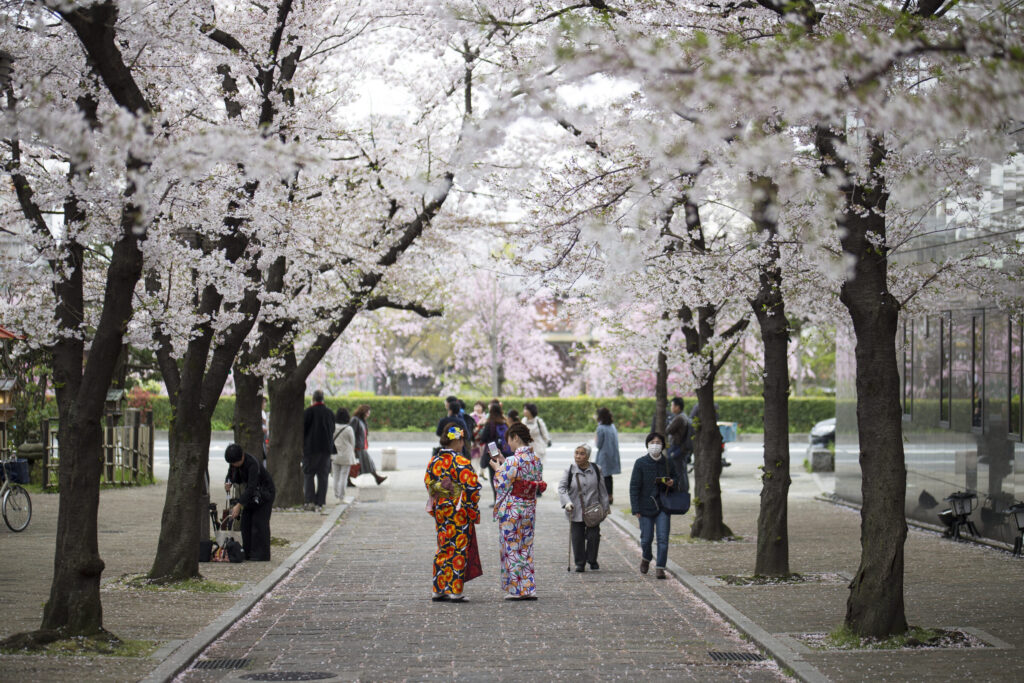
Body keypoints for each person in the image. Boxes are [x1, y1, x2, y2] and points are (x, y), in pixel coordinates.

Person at [425, 425, 482, 601]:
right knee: (458, 547)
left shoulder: (434, 461)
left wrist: (441, 494)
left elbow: (429, 484)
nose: (463, 443)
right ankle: (455, 590)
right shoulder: (461, 463)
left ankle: (439, 588)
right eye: (462, 440)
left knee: (443, 545)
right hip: (459, 510)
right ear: (457, 441)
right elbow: (472, 488)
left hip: (442, 508)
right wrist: (471, 504)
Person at [490, 422, 544, 600]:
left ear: (515, 437)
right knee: (526, 547)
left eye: (509, 441)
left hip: (513, 510)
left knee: (512, 548)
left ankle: (518, 590)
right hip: (529, 507)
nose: (509, 445)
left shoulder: (514, 460)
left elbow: (502, 482)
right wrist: (505, 465)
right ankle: (529, 587)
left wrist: (498, 470)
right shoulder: (535, 459)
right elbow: (522, 475)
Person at [629, 432, 681, 579]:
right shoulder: (640, 463)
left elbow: (678, 478)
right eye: (652, 442)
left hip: (664, 506)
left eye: (658, 442)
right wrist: (636, 508)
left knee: (663, 538)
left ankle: (660, 567)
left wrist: (673, 482)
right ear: (647, 445)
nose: (655, 445)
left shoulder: (668, 462)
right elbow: (634, 487)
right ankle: (646, 557)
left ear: (663, 445)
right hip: (645, 507)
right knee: (646, 539)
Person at [558, 443, 609, 572]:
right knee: (577, 537)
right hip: (575, 510)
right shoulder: (569, 470)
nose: (578, 456)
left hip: (593, 510)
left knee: (593, 536)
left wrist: (605, 507)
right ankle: (580, 563)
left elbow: (602, 490)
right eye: (576, 453)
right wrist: (567, 502)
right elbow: (562, 488)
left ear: (588, 456)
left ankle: (592, 559)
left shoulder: (597, 469)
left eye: (582, 454)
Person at [224, 443, 276, 561]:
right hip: (251, 495)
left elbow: (251, 486)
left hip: (264, 493)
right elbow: (230, 475)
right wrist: (228, 482)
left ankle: (261, 555)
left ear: (242, 456)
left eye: (235, 463)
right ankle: (247, 552)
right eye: (232, 464)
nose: (234, 465)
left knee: (259, 522)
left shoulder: (252, 463)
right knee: (246, 522)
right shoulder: (234, 463)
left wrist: (239, 505)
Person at [302, 390, 334, 511]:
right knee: (323, 475)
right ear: (323, 399)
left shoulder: (308, 412)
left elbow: (303, 430)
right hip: (326, 449)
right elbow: (332, 429)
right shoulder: (329, 412)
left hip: (310, 449)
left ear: (313, 399)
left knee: (309, 474)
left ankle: (310, 500)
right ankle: (320, 501)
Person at [351, 404, 387, 486]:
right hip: (357, 447)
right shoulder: (355, 420)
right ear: (363, 412)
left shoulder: (362, 420)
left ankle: (377, 478)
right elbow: (351, 432)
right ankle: (377, 478)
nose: (369, 414)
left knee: (363, 464)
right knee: (365, 463)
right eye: (367, 412)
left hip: (362, 446)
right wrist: (353, 445)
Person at [594, 407, 621, 504]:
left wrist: (595, 438)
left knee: (603, 477)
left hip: (604, 456)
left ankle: (604, 497)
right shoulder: (612, 426)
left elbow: (598, 444)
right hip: (612, 454)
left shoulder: (600, 428)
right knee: (609, 477)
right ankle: (610, 496)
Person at [331, 407, 357, 501]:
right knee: (344, 476)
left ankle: (336, 494)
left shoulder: (333, 426)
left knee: (336, 476)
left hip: (334, 455)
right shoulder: (348, 429)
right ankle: (341, 496)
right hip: (346, 455)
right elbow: (352, 442)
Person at [665, 397, 694, 475]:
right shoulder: (684, 416)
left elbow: (668, 430)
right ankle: (683, 487)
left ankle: (681, 487)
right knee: (682, 470)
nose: (671, 407)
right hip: (682, 446)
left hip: (677, 446)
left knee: (678, 470)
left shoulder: (679, 418)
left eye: (672, 405)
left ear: (677, 407)